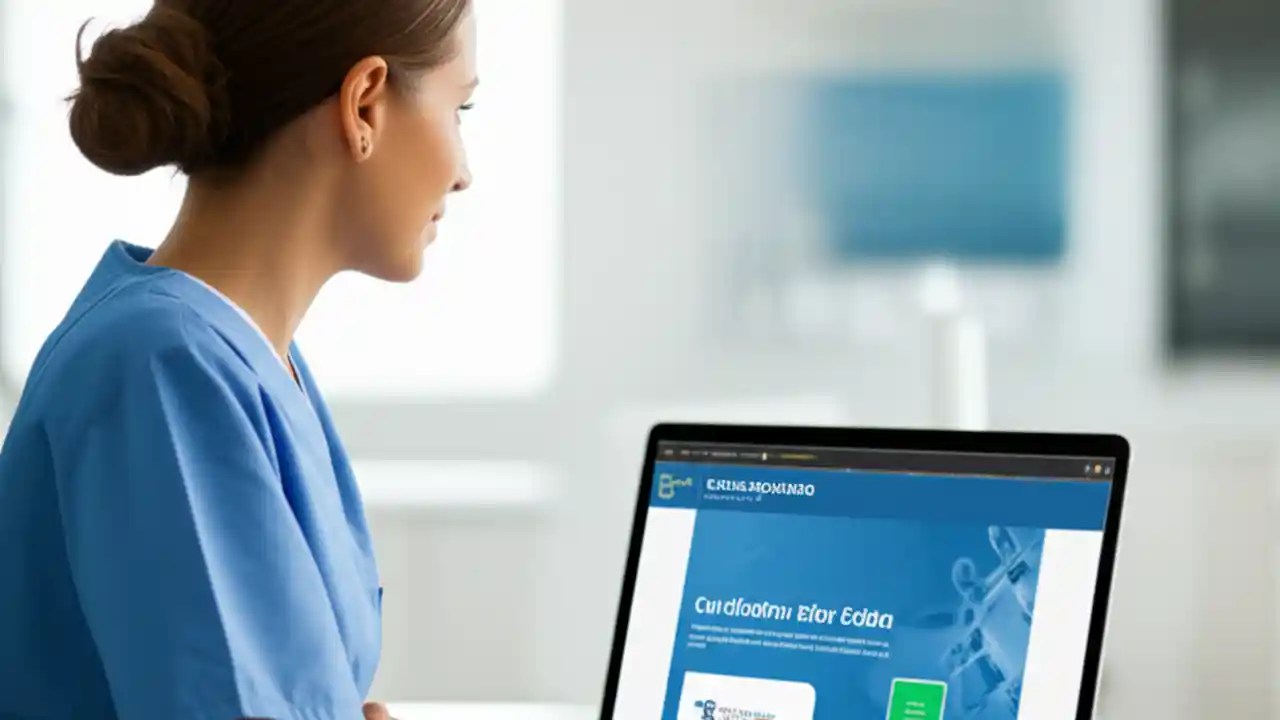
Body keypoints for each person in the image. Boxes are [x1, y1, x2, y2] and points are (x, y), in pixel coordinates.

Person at [0, 0, 476, 717]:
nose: (464, 172)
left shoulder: (233, 357)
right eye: (460, 108)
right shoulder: (163, 366)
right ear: (364, 106)